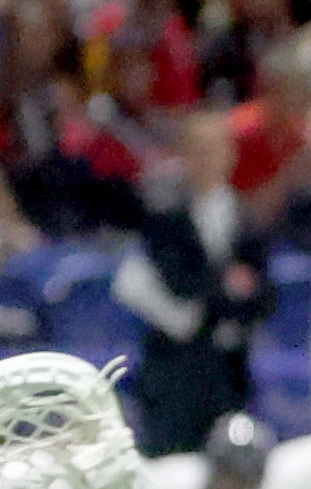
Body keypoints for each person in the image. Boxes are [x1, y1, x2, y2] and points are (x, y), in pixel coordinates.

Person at [112, 107, 270, 460]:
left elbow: (260, 296)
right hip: (172, 374)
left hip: (227, 373)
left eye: (215, 149)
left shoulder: (247, 219)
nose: (207, 160)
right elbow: (181, 282)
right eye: (198, 150)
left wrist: (224, 295)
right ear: (183, 155)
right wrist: (225, 289)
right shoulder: (164, 214)